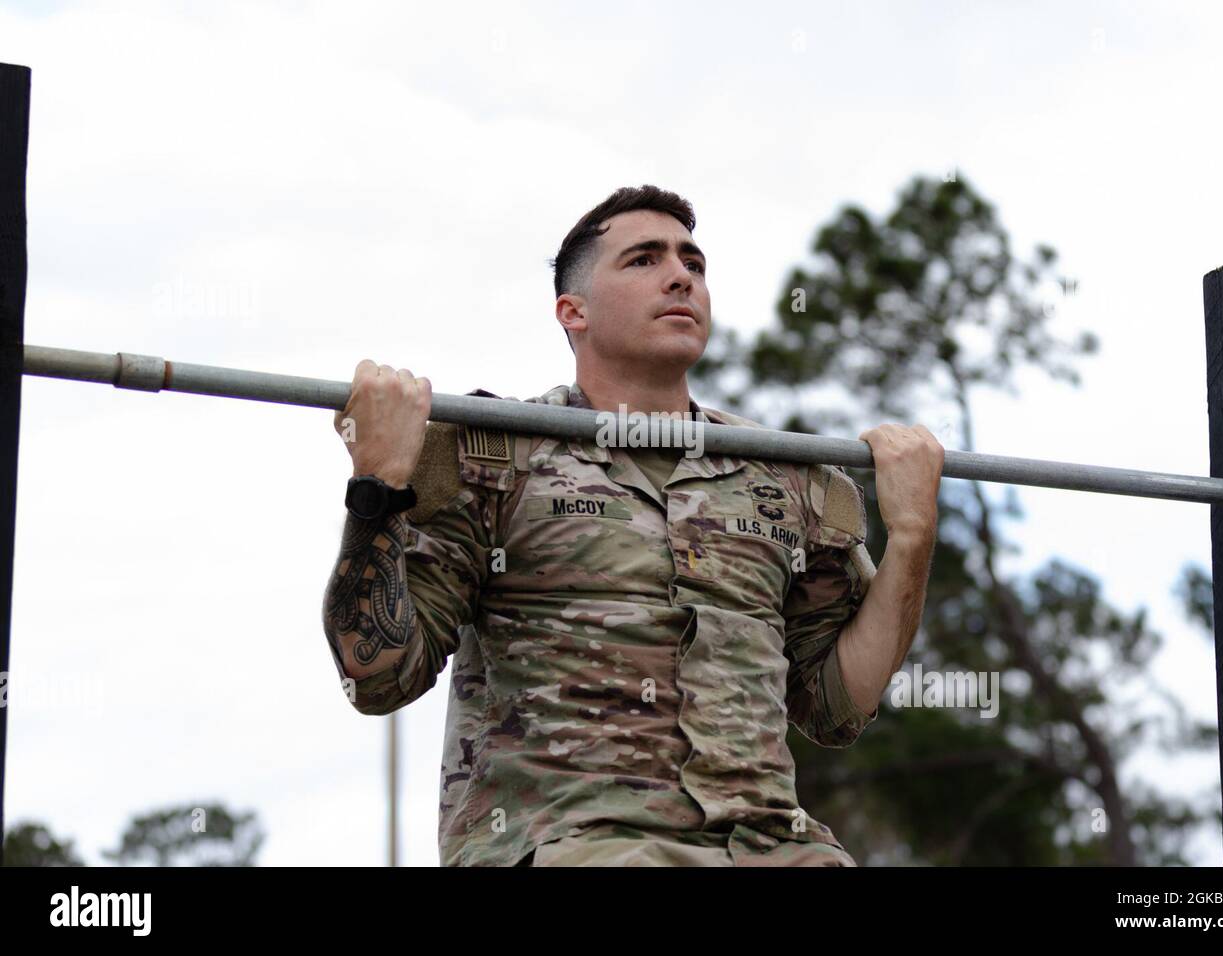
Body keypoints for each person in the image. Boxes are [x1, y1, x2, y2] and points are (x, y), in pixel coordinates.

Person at [321, 185, 944, 866]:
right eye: (644, 260)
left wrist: (911, 537)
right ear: (573, 311)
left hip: (768, 847)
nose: (681, 276)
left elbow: (834, 708)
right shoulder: (494, 458)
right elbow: (376, 675)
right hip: (570, 843)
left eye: (694, 264)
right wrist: (376, 487)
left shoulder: (787, 480)